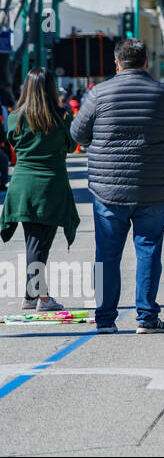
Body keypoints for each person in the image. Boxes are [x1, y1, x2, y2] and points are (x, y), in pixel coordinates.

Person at [70, 38, 164, 333]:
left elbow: (77, 133)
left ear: (117, 63)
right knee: (149, 250)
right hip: (154, 188)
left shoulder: (99, 93)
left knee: (107, 255)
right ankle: (147, 317)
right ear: (146, 62)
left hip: (108, 189)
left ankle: (106, 319)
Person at [1, 68, 79, 312]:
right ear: (52, 88)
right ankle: (39, 297)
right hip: (50, 186)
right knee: (39, 244)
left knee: (34, 242)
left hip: (22, 186)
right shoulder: (62, 116)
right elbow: (72, 144)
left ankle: (33, 294)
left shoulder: (16, 117)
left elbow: (12, 142)